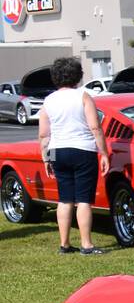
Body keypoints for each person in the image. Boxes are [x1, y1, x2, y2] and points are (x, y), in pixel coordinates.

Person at [37, 57, 109, 255]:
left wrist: (46, 158)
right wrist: (103, 153)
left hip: (58, 151)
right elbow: (95, 127)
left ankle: (65, 244)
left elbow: (44, 135)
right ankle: (86, 244)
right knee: (84, 199)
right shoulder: (83, 96)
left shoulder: (48, 101)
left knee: (65, 198)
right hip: (83, 149)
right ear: (78, 76)